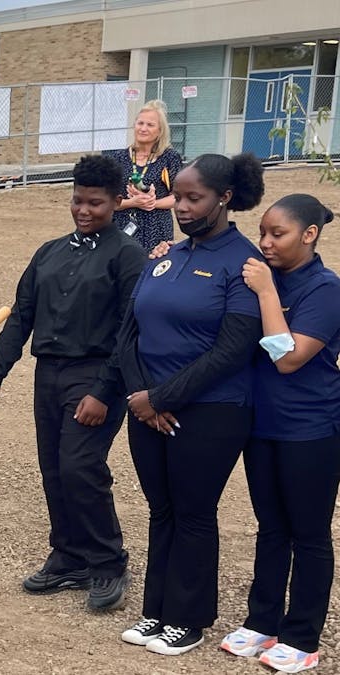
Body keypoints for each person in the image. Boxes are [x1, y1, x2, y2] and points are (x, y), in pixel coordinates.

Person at [110, 153, 265, 656]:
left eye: (195, 198)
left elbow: (234, 347)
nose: (182, 206)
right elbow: (128, 333)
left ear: (224, 198)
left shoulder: (243, 261)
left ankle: (189, 619)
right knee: (162, 510)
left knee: (194, 512)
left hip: (211, 410)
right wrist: (142, 398)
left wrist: (161, 396)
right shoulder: (167, 255)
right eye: (178, 196)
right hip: (148, 408)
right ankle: (156, 611)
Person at [0, 155, 145, 612]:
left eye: (95, 203)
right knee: (54, 468)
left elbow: (129, 331)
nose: (84, 210)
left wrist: (103, 391)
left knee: (80, 466)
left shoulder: (127, 257)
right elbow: (22, 316)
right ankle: (69, 556)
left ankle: (109, 562)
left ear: (117, 202)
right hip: (48, 373)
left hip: (96, 375)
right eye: (77, 201)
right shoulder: (49, 252)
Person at [216, 194, 340, 674]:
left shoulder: (324, 290)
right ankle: (262, 621)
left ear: (309, 235)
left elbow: (288, 358)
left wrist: (268, 294)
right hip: (262, 427)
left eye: (278, 234)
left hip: (311, 430)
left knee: (308, 534)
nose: (265, 243)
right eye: (262, 233)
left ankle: (302, 636)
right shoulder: (261, 275)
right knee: (270, 529)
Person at [103, 100, 183, 253]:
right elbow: (106, 200)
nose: (143, 129)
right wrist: (132, 202)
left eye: (150, 125)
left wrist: (153, 203)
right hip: (122, 225)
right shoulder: (117, 158)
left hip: (157, 228)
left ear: (160, 131)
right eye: (140, 123)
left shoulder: (170, 158)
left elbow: (178, 197)